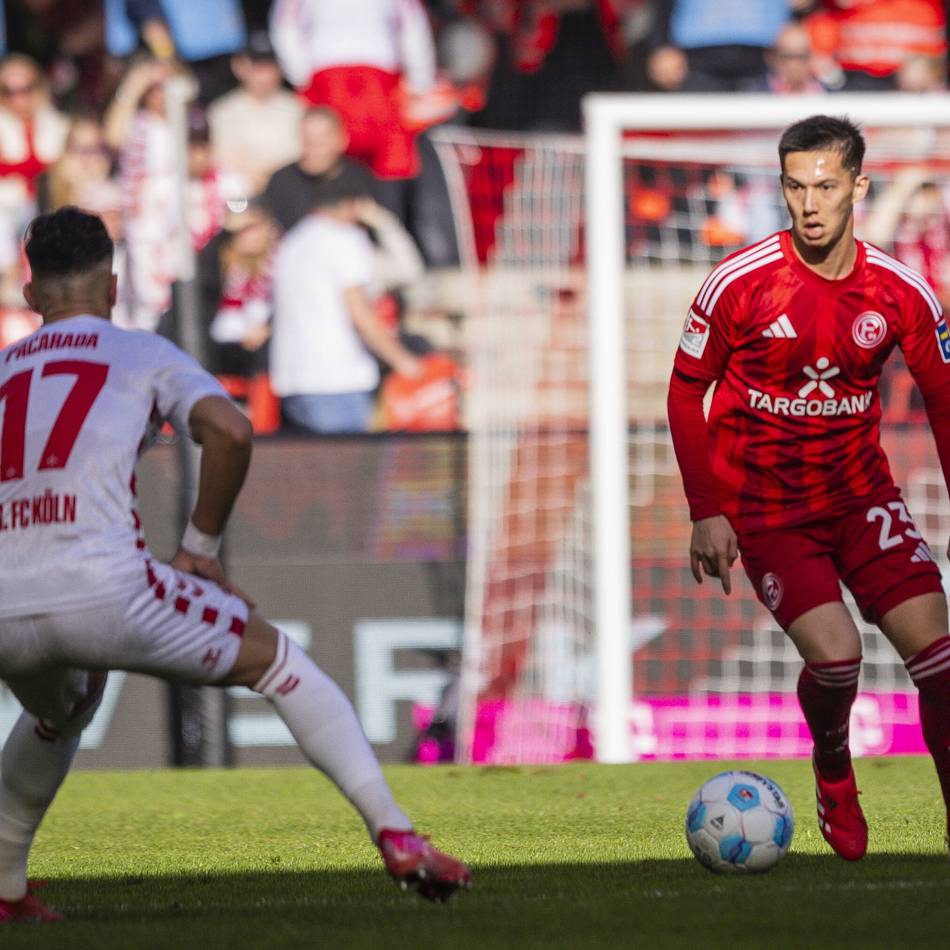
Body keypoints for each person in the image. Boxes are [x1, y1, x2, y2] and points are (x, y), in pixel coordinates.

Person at [0, 207, 470, 923]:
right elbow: (229, 428)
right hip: (103, 586)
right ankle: (396, 831)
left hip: (6, 604)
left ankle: (6, 892)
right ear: (113, 284)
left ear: (30, 297)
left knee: (59, 713)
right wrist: (199, 549)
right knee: (279, 660)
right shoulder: (139, 351)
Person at [667, 115, 950, 861]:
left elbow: (944, 398)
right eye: (795, 186)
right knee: (837, 658)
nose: (810, 204)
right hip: (767, 511)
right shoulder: (742, 282)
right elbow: (683, 391)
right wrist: (707, 512)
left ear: (859, 185)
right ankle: (833, 768)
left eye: (826, 186)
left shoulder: (900, 292)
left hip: (862, 499)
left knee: (942, 659)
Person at [270, 184, 423, 433]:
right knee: (352, 470)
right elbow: (360, 312)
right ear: (355, 206)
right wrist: (404, 361)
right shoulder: (344, 239)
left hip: (294, 384)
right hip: (337, 383)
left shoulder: (292, 242)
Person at [207, 30, 303, 197]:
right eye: (258, 66)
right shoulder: (222, 111)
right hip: (241, 196)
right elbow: (219, 160)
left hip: (289, 191)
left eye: (271, 65)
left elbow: (303, 157)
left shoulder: (297, 109)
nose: (266, 74)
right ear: (239, 66)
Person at [260, 106, 375, 235]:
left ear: (341, 140)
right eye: (307, 140)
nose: (313, 148)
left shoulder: (360, 180)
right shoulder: (281, 181)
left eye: (321, 140)